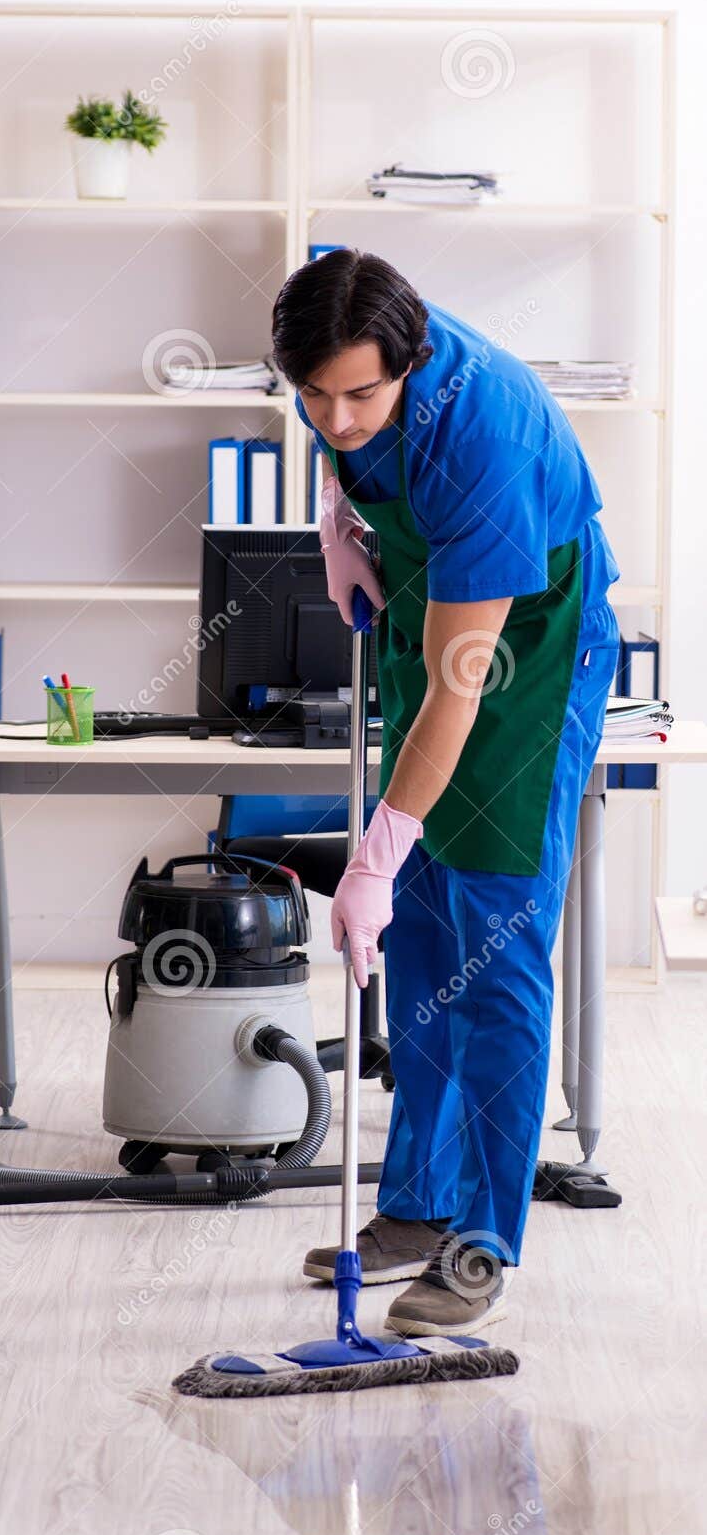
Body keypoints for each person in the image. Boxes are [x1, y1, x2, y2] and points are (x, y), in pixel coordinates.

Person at [270, 250, 621, 1338]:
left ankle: (481, 1239)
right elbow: (339, 424)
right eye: (313, 396)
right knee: (418, 937)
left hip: (529, 638)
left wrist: (372, 852)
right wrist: (339, 516)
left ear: (411, 364)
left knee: (494, 935)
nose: (336, 415)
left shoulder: (485, 434)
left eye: (362, 396)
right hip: (435, 592)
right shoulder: (340, 345)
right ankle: (417, 1207)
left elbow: (464, 692)